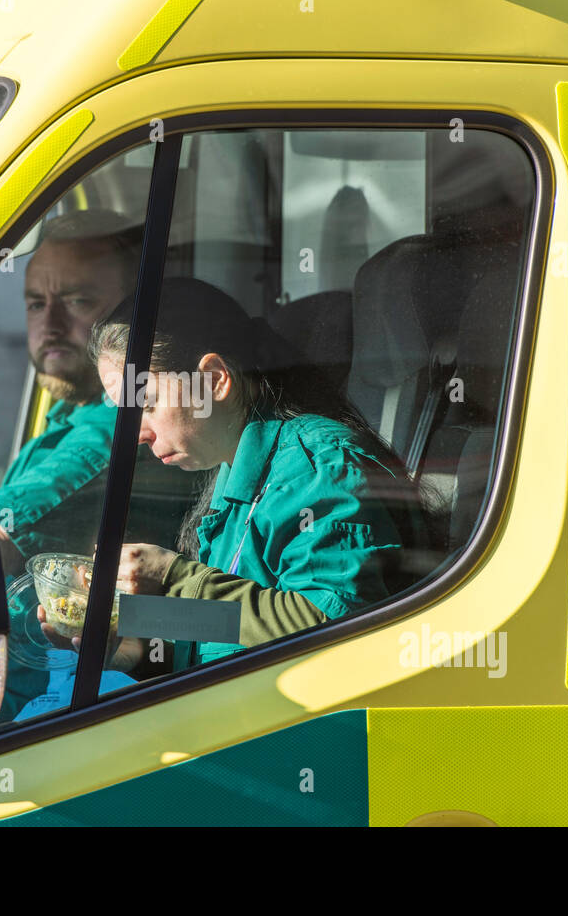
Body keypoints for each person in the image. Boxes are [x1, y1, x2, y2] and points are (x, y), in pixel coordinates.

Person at [66, 277, 426, 670]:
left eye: (148, 403)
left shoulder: (315, 469)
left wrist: (175, 579)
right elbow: (246, 632)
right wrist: (137, 653)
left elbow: (334, 630)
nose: (137, 434)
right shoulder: (234, 476)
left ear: (215, 379)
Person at [0, 209, 141, 573]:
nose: (50, 326)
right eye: (37, 304)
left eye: (77, 301)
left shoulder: (123, 421)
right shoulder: (70, 412)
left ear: (134, 309)